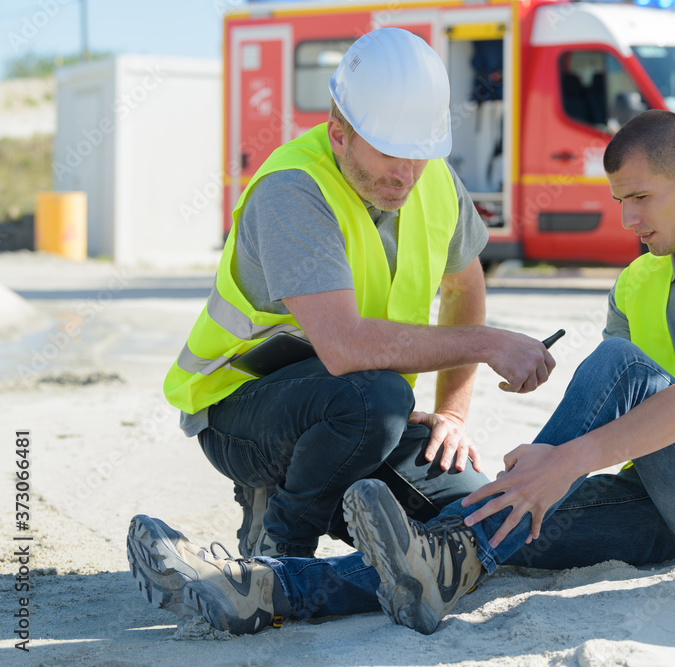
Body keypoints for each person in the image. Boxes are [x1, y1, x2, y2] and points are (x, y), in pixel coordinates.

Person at [127, 109, 675, 636]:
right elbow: (628, 424)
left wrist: (567, 458)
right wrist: (540, 474)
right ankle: (269, 588)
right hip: (656, 496)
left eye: (640, 198)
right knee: (499, 517)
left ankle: (460, 546)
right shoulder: (635, 284)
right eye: (618, 200)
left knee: (593, 397)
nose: (626, 218)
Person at [160, 27, 554, 562]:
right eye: (390, 152)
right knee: (375, 398)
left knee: (470, 511)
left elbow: (464, 286)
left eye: (419, 153)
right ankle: (282, 550)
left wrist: (452, 416)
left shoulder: (431, 178)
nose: (406, 173)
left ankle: (329, 497)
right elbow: (345, 347)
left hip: (364, 413)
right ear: (338, 133)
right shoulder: (292, 190)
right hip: (242, 410)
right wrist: (486, 344)